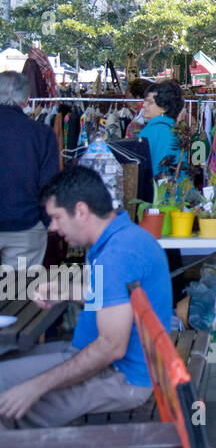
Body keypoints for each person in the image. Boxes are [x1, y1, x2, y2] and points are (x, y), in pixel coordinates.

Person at [0, 167, 170, 428]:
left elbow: (111, 347)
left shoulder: (116, 256)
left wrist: (34, 387)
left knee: (10, 394)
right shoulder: (123, 237)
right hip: (118, 364)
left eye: (56, 217)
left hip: (123, 379)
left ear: (80, 210)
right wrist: (69, 293)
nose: (53, 228)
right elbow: (117, 299)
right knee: (8, 364)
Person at [0, 71, 58, 270]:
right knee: (17, 296)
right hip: (25, 225)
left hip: (26, 222)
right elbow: (48, 183)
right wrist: (47, 220)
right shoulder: (41, 133)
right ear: (26, 100)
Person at [139, 79, 183, 178]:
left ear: (164, 107)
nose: (144, 105)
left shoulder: (154, 131)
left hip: (156, 190)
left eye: (149, 102)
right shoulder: (171, 129)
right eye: (145, 101)